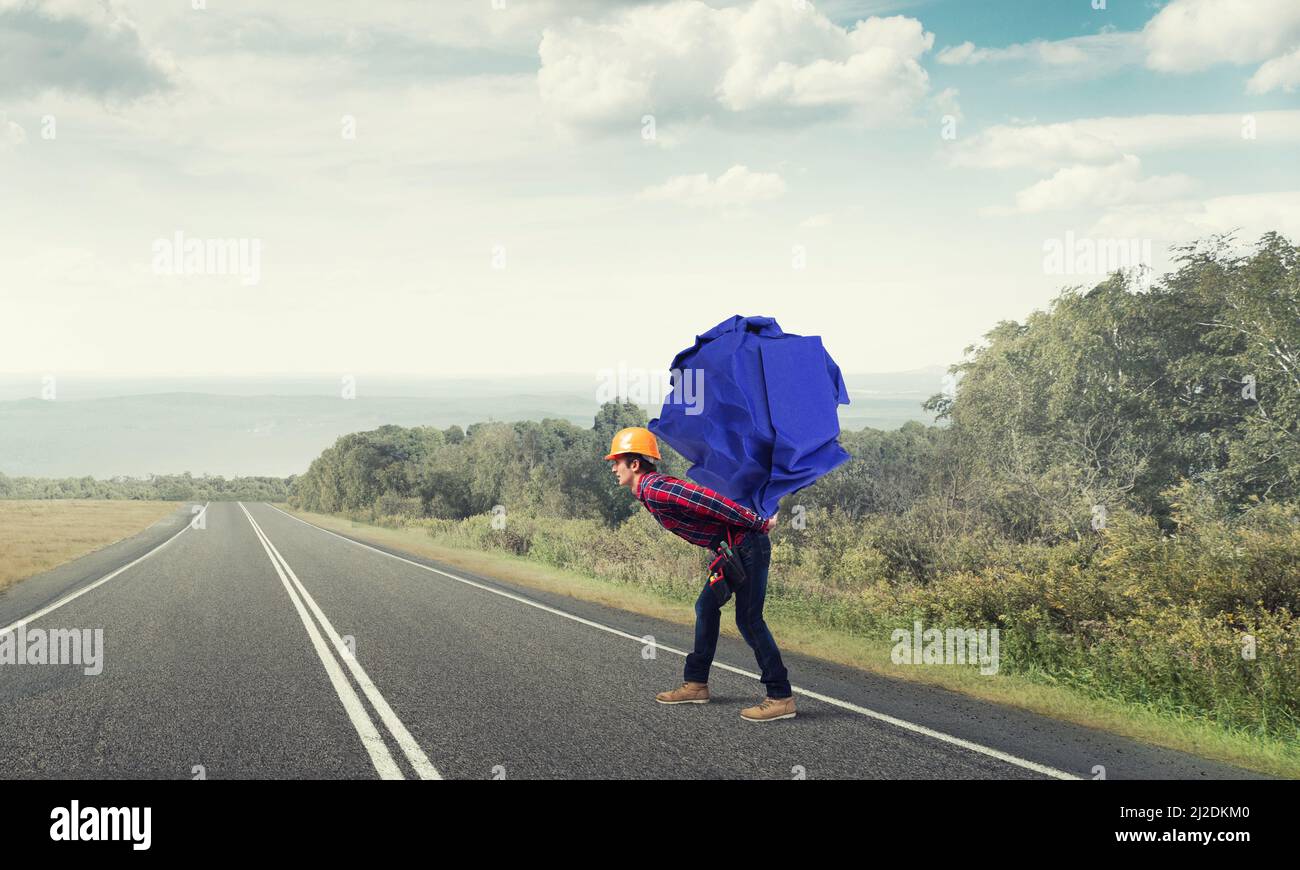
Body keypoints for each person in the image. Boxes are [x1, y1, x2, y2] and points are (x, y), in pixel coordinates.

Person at [605, 426, 795, 722]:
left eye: (617, 462)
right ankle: (696, 684)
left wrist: (758, 523)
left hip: (747, 544)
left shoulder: (656, 488)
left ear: (634, 464)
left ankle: (780, 696)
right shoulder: (648, 491)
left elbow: (707, 500)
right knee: (705, 607)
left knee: (749, 619)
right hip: (732, 549)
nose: (613, 468)